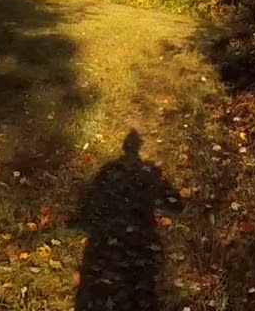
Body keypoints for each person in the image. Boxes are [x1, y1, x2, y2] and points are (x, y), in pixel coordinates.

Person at [73, 129, 182, 311]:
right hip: (142, 239)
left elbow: (88, 202)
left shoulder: (108, 170)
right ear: (139, 147)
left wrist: (85, 220)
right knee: (142, 290)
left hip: (107, 240)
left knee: (101, 287)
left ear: (124, 147)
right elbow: (176, 204)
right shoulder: (149, 171)